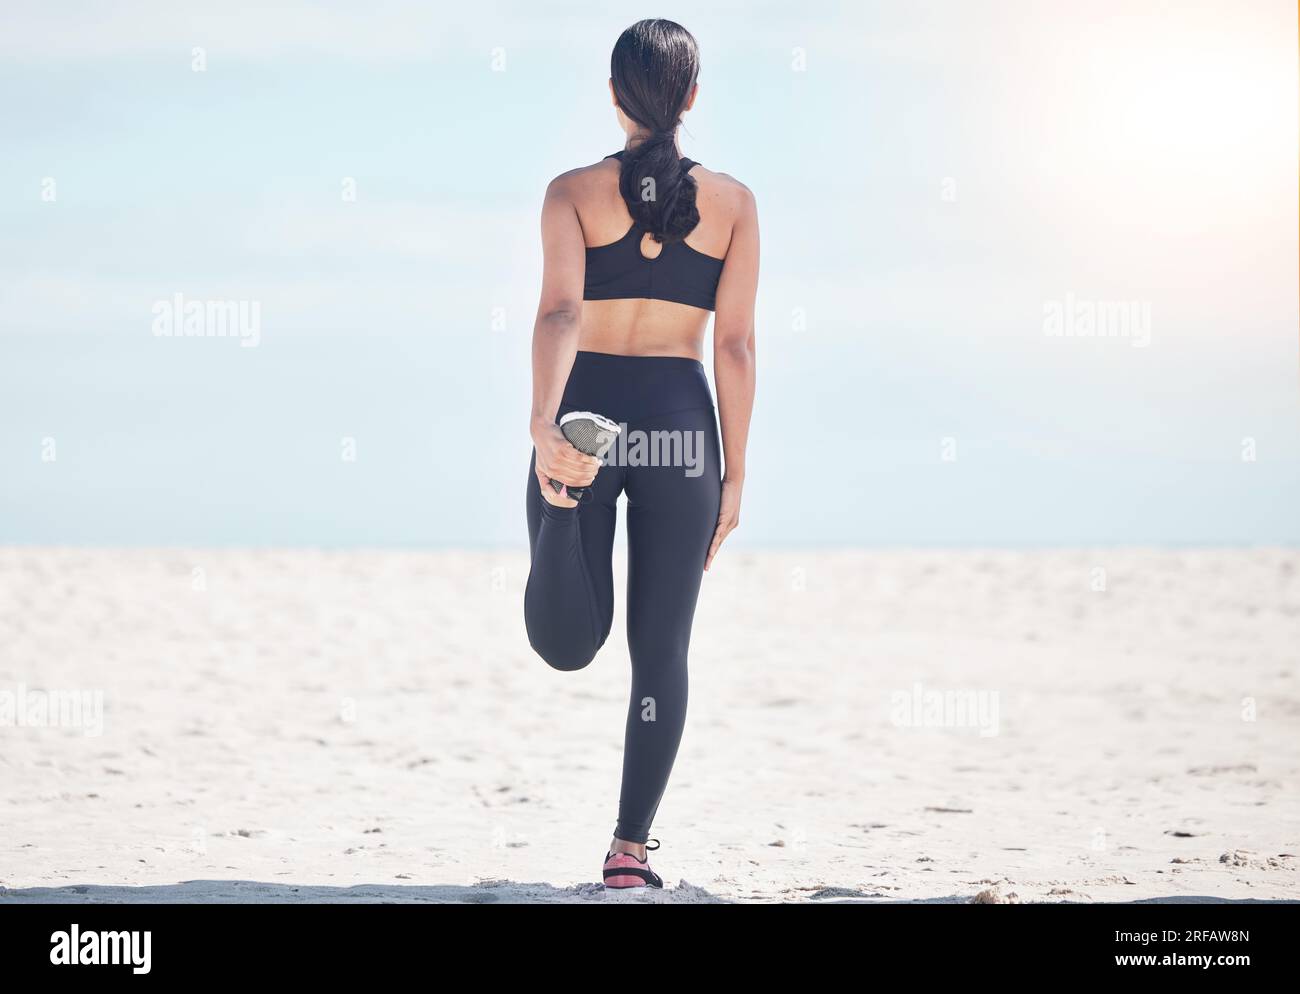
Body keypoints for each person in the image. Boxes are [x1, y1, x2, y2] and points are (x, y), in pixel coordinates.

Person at [524, 18, 758, 889]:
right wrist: (735, 472)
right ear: (692, 98)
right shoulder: (735, 206)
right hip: (679, 425)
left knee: (568, 644)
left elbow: (559, 314)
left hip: (588, 410)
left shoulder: (571, 193)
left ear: (614, 94)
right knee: (661, 650)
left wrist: (545, 429)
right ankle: (629, 851)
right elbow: (733, 346)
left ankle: (558, 509)